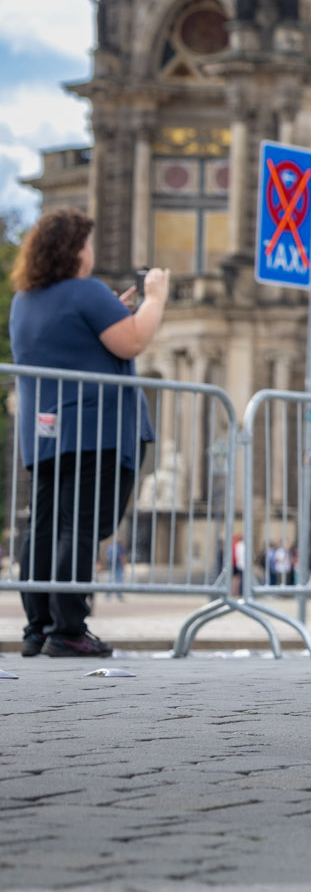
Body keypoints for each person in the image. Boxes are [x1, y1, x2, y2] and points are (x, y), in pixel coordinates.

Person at [10, 207, 166, 658]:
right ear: (74, 250)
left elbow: (71, 344)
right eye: (87, 244)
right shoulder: (85, 293)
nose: (91, 252)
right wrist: (154, 297)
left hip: (44, 432)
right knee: (77, 528)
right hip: (94, 429)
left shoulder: (26, 298)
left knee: (41, 528)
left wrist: (108, 314)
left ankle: (38, 628)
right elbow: (133, 341)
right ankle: (69, 629)